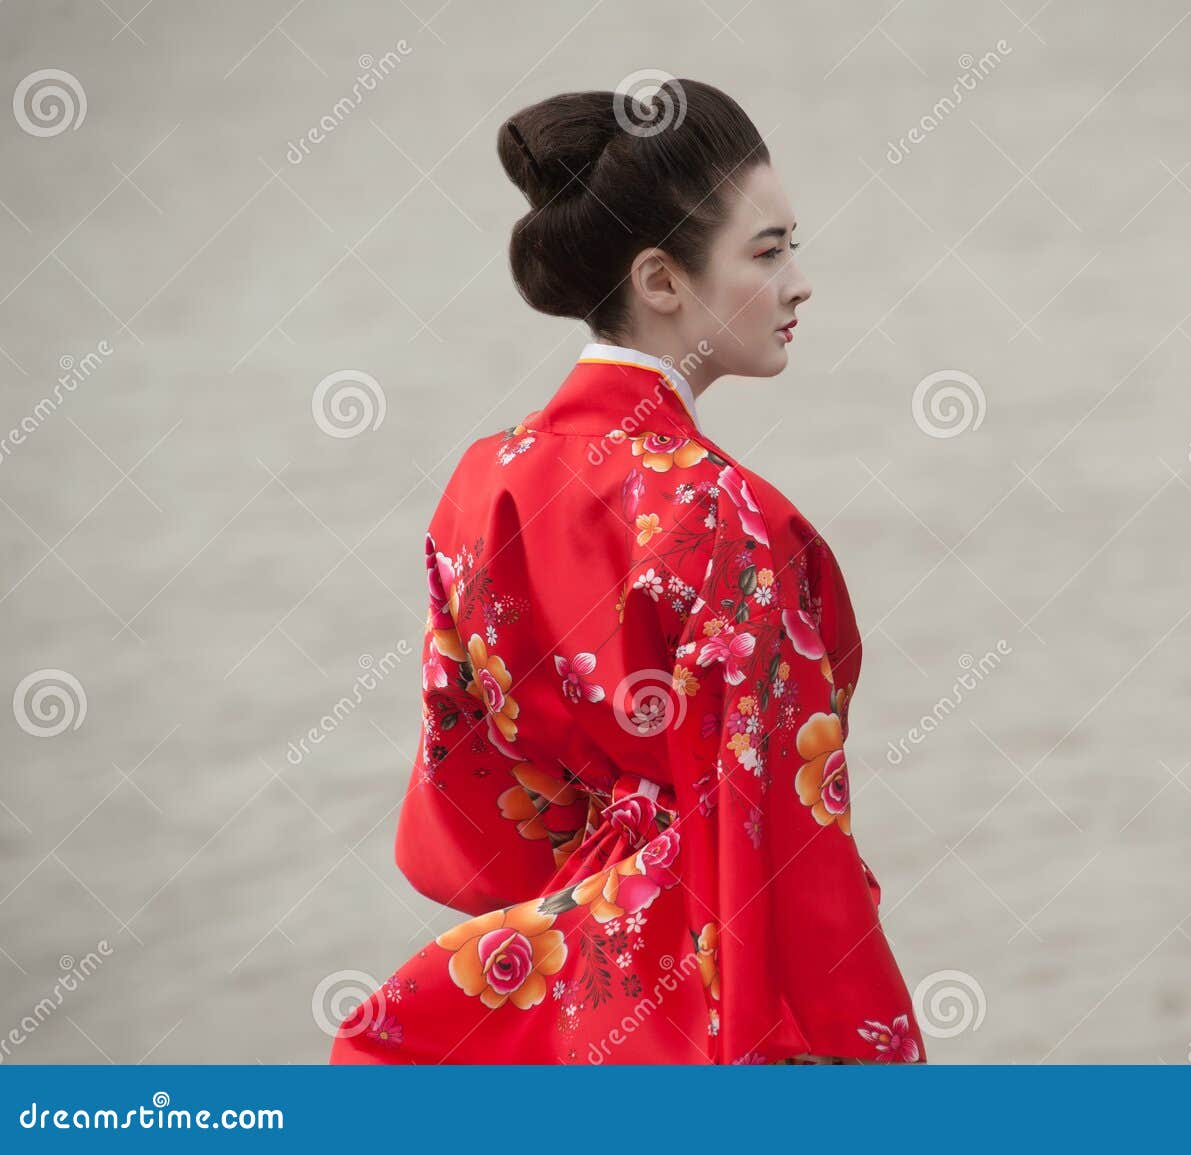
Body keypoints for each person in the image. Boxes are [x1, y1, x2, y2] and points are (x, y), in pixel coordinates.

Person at [327, 79, 924, 1065]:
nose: (798, 283)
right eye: (767, 252)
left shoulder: (486, 484)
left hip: (567, 983)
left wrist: (584, 890)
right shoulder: (730, 517)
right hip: (717, 988)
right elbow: (785, 828)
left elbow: (474, 792)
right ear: (660, 281)